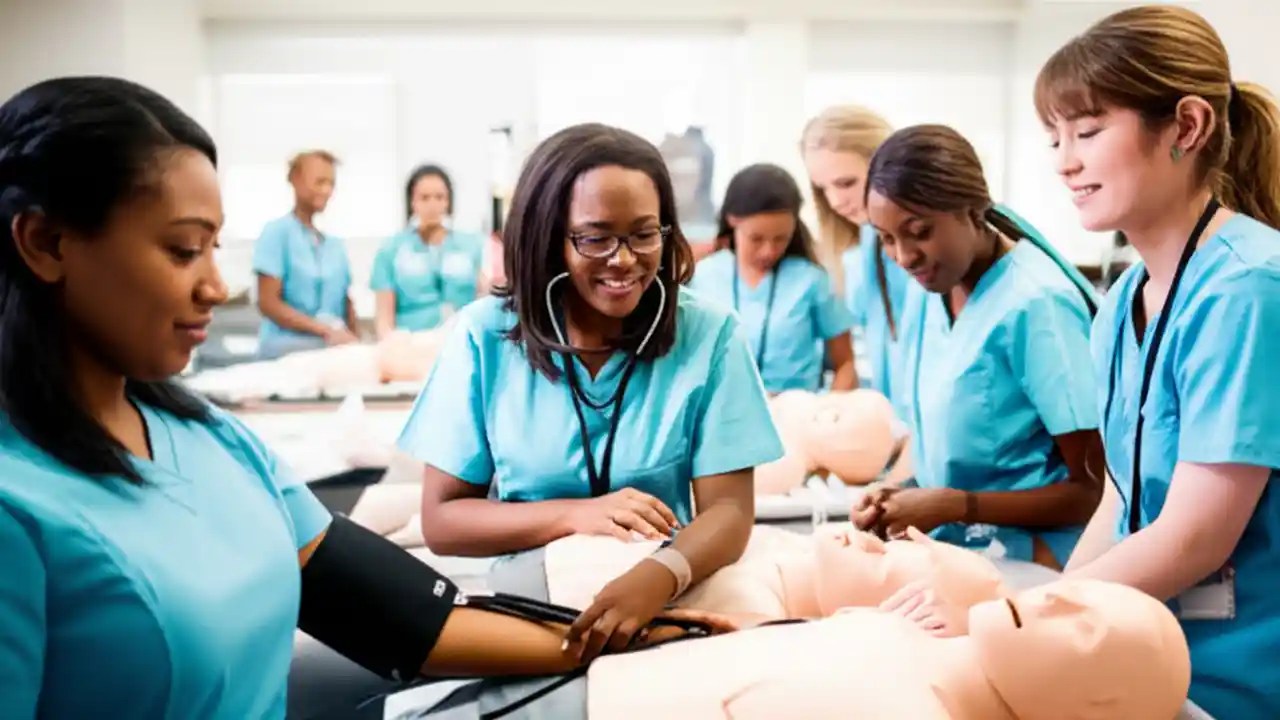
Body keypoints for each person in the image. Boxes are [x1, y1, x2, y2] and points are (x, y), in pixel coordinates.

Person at [0, 77, 711, 720]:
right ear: (45, 242)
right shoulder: (20, 504)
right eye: (185, 251)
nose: (216, 286)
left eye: (216, 249)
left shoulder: (213, 440)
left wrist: (623, 638)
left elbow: (401, 622)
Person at [398, 123, 784, 658]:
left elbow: (730, 512)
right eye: (595, 237)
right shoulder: (483, 335)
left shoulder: (709, 335)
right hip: (534, 606)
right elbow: (443, 521)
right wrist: (576, 514)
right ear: (548, 238)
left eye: (645, 234)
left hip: (666, 600)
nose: (624, 259)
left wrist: (661, 574)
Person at [1030, 6, 1280, 717]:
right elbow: (1121, 498)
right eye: (1055, 137)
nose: (1064, 161)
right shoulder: (1121, 305)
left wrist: (1040, 616)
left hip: (1246, 681)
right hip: (1153, 662)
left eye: (1087, 131)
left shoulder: (1249, 289)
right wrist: (1043, 630)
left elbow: (1197, 535)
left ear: (1188, 127)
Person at [853, 125, 1105, 571]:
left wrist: (955, 505)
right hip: (960, 548)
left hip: (1039, 560)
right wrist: (902, 490)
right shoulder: (932, 289)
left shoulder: (1036, 304)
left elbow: (1095, 491)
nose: (904, 256)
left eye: (919, 231)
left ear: (972, 210)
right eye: (887, 239)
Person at [688, 163, 855, 393]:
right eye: (756, 238)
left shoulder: (811, 280)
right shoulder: (702, 277)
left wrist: (828, 413)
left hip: (796, 418)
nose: (768, 251)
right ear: (732, 221)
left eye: (781, 239)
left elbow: (845, 364)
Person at [801, 106, 912, 405]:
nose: (836, 201)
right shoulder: (864, 246)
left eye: (846, 183)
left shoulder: (918, 251)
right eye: (822, 189)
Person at [252, 149, 358, 359]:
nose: (327, 190)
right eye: (319, 182)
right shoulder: (276, 233)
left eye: (331, 184)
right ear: (295, 180)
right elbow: (268, 303)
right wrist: (324, 331)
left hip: (332, 350)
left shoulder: (334, 245)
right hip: (285, 349)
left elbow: (346, 303)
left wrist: (356, 343)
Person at [371, 164, 486, 338]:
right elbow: (384, 319)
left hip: (461, 341)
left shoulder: (471, 245)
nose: (432, 204)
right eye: (424, 198)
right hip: (411, 344)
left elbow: (484, 299)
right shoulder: (391, 250)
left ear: (449, 201)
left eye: (439, 197)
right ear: (412, 202)